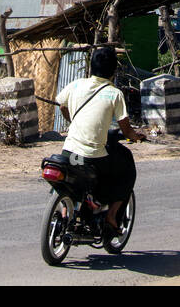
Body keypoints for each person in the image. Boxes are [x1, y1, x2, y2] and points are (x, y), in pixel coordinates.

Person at [55, 44, 146, 237]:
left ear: (91, 66)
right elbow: (127, 130)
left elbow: (61, 104)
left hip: (69, 152)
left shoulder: (76, 84)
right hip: (93, 157)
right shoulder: (114, 94)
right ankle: (112, 216)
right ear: (113, 70)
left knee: (73, 180)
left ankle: (66, 211)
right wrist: (137, 136)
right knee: (126, 170)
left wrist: (73, 121)